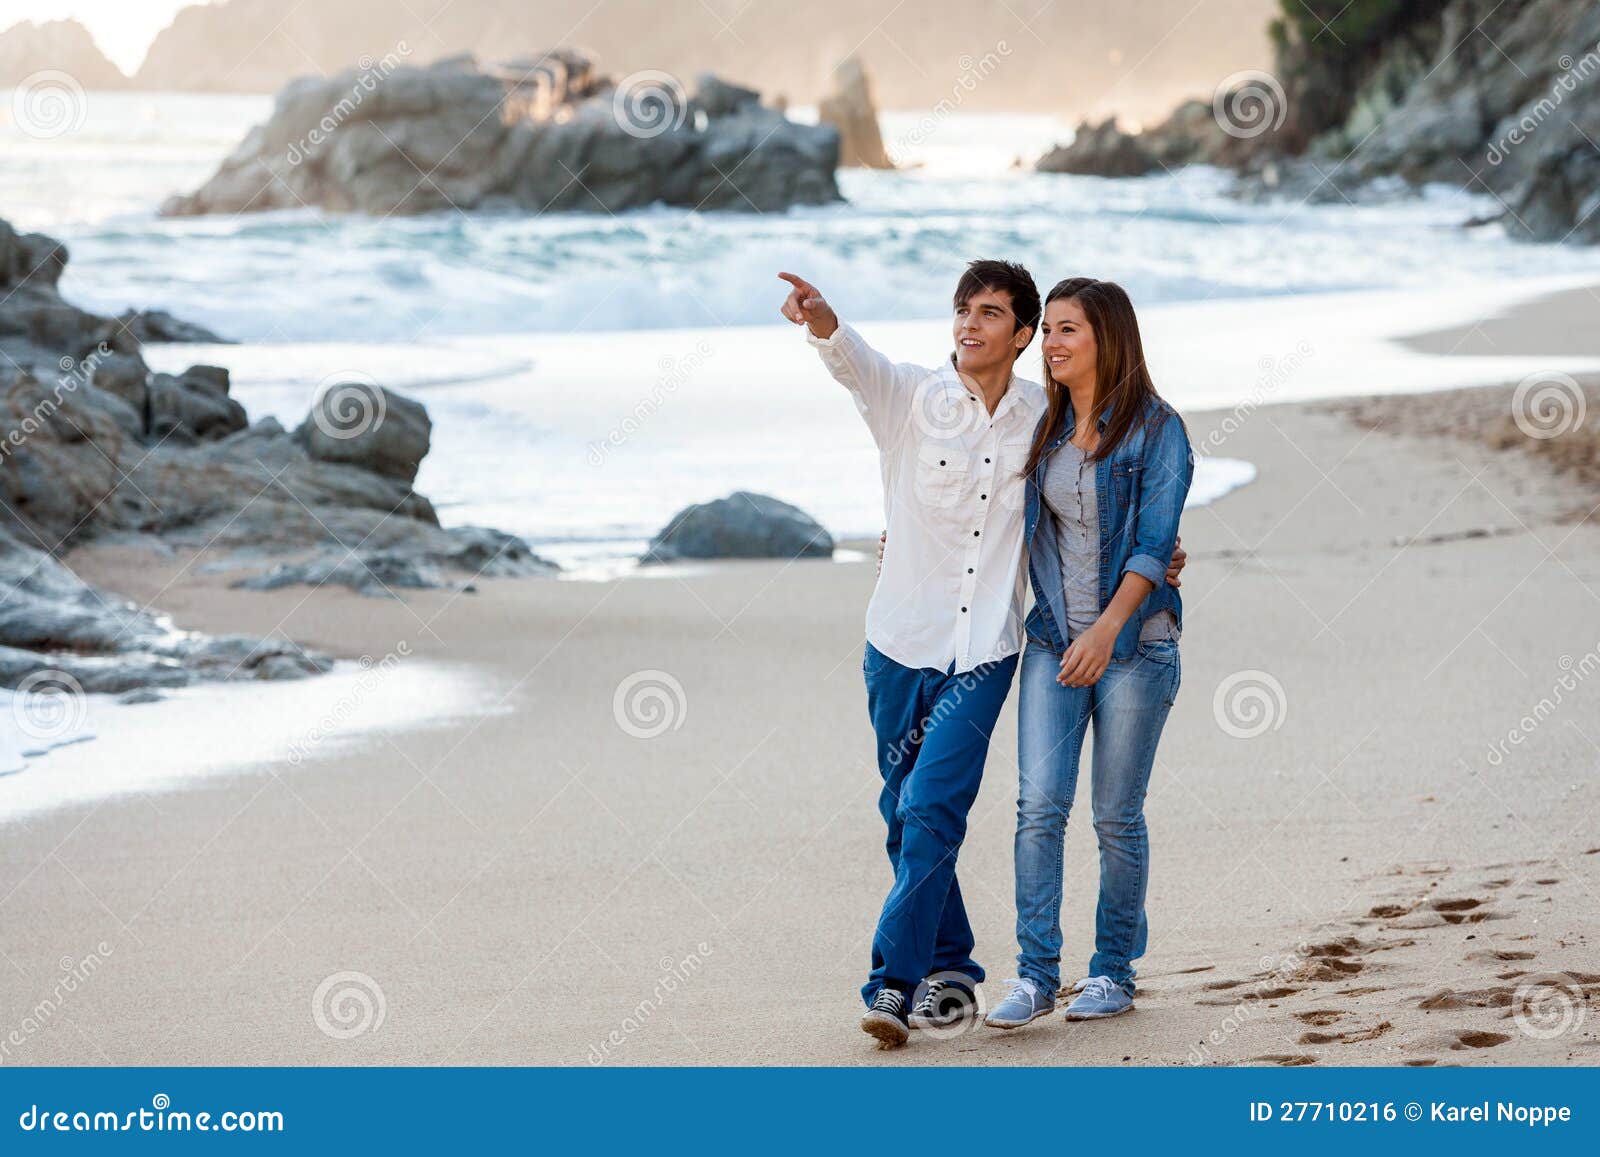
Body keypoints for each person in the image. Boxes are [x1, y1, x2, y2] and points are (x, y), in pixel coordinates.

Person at [778, 263, 1184, 1047]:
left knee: (933, 806)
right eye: (963, 309)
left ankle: (891, 984)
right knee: (903, 811)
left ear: (1022, 333)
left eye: (990, 312)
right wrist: (821, 318)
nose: (969, 323)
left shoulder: (1045, 416)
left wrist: (1162, 553)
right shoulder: (909, 395)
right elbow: (851, 361)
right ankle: (954, 968)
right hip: (898, 641)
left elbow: (1092, 498)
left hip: (987, 651)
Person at [983, 277, 1193, 1030]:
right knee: (1038, 807)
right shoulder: (1040, 428)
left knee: (1114, 816)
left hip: (1135, 645)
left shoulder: (1158, 430)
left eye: (1067, 329)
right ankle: (1036, 975)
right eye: (1047, 330)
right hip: (1052, 643)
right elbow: (986, 506)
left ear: (1109, 337)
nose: (1051, 343)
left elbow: (1155, 543)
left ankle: (1112, 972)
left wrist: (1106, 630)